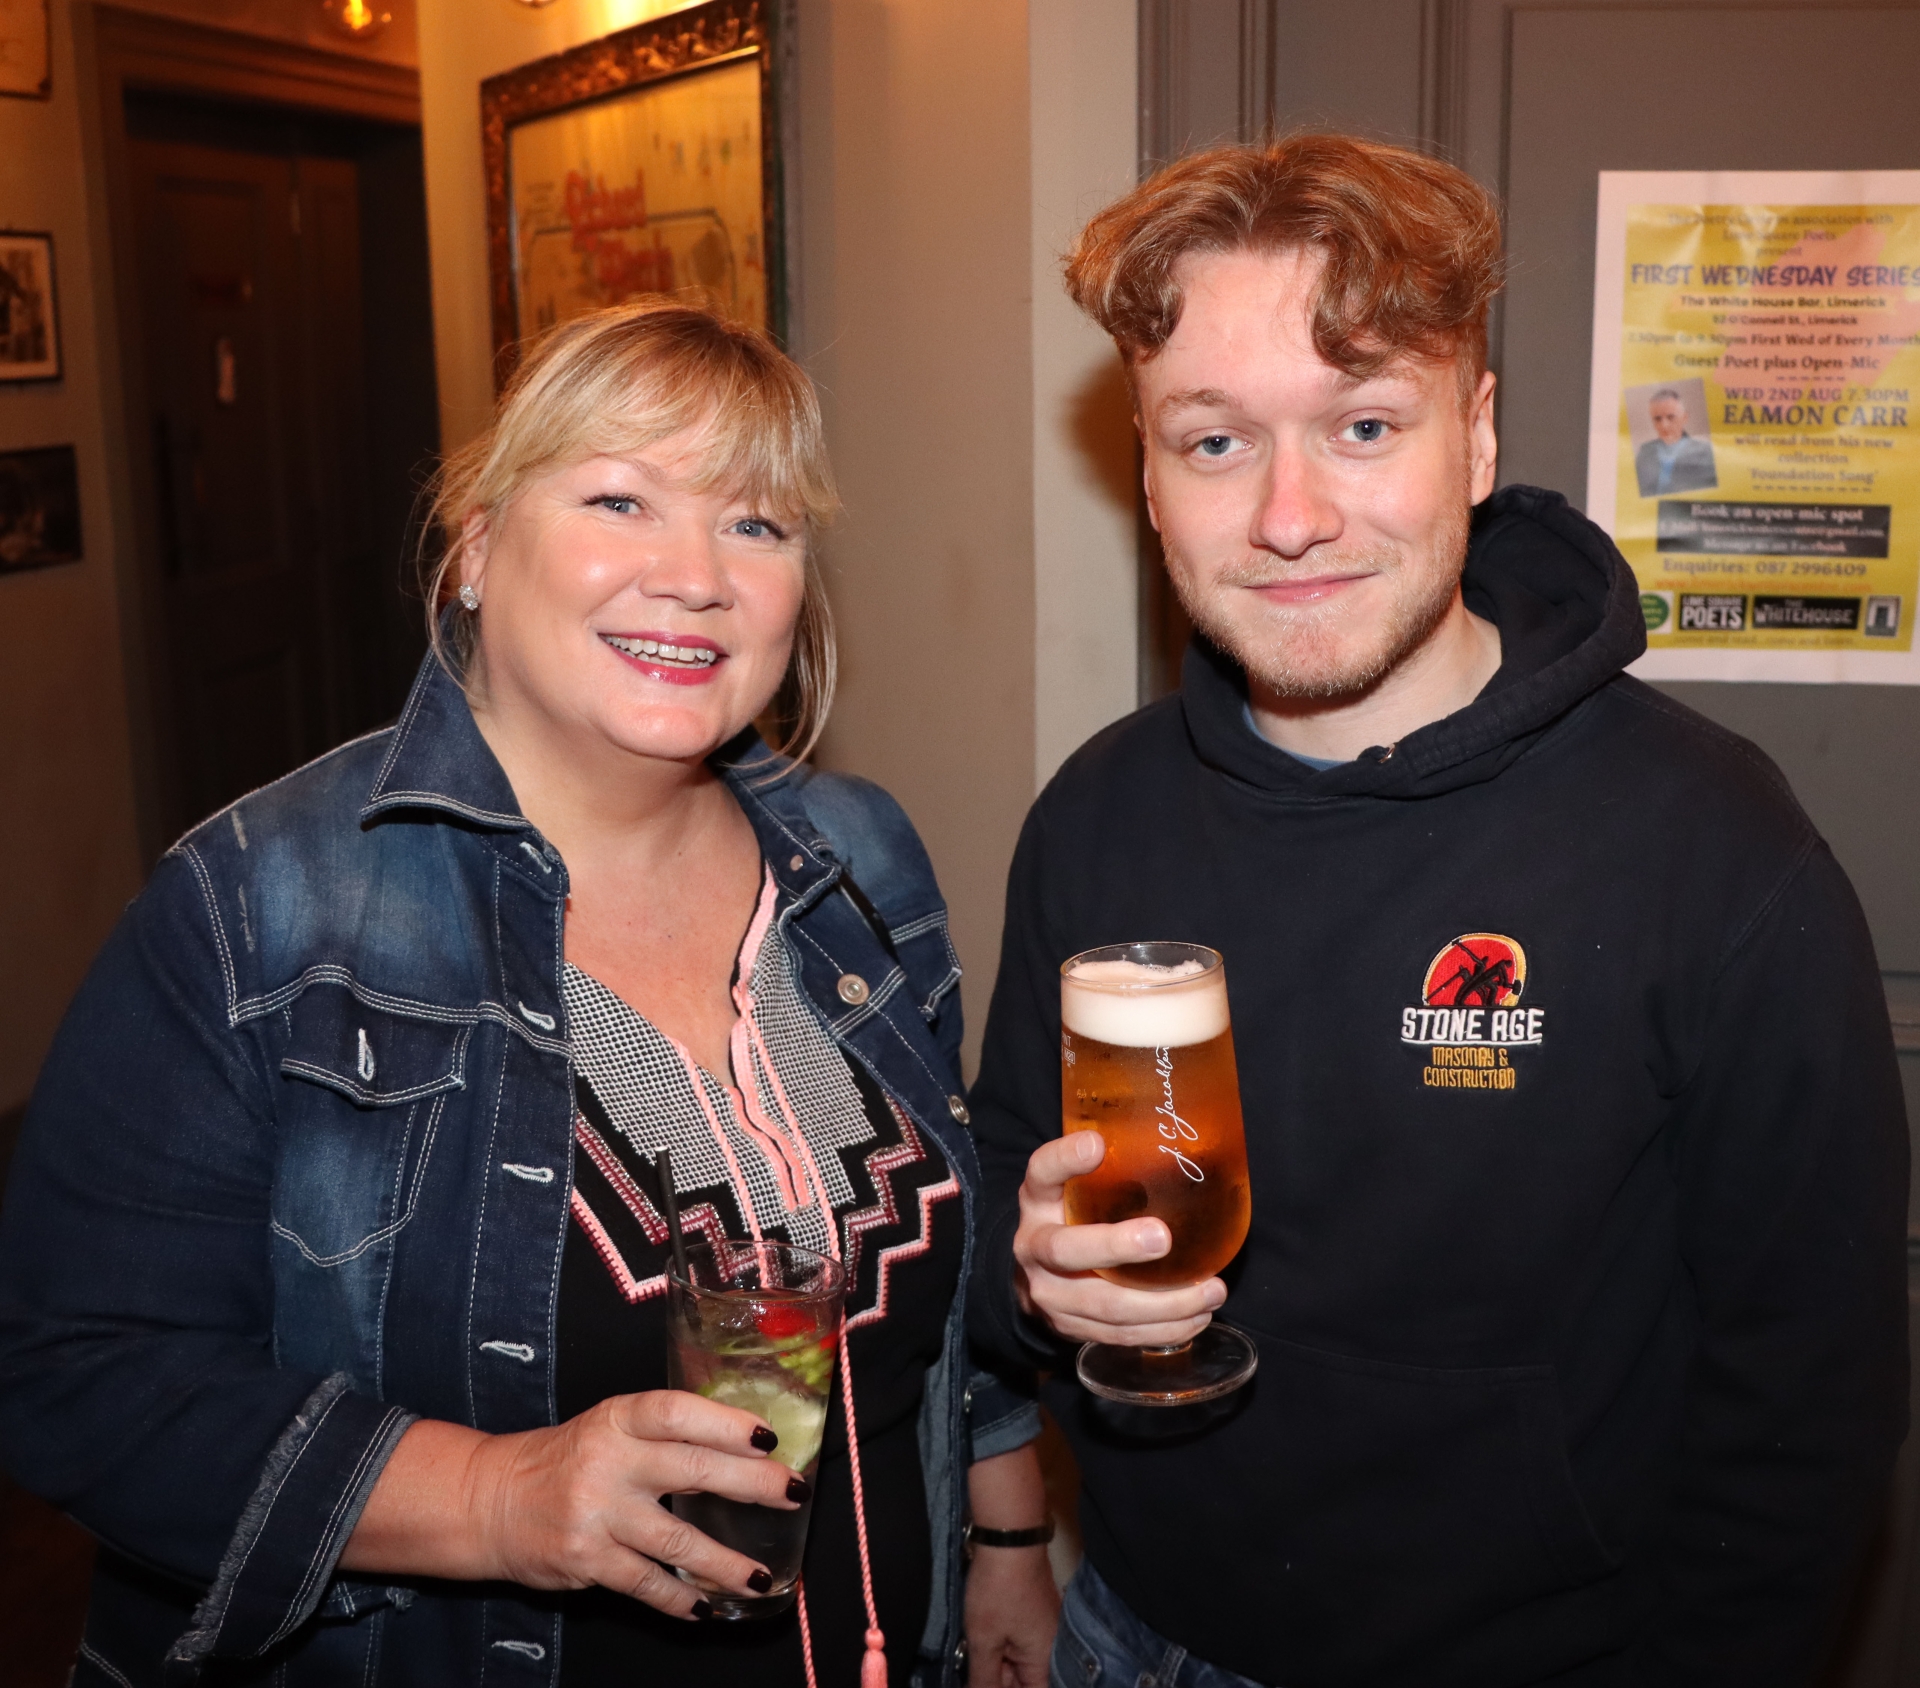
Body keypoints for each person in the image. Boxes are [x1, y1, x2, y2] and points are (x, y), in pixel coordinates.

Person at [0, 301, 1059, 1688]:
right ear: (478, 547)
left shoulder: (861, 854)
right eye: (621, 500)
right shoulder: (259, 904)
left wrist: (1008, 1534)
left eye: (756, 523)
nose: (697, 576)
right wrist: (496, 1498)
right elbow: (79, 1375)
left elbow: (942, 1291)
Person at [967, 135, 1908, 1688]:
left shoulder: (1711, 844)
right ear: (1146, 471)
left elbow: (1809, 1400)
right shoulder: (1096, 813)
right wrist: (1031, 1272)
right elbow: (1008, 1184)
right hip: (1136, 1642)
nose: (1289, 516)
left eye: (1363, 425)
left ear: (1473, 437)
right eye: (1214, 440)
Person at [1635, 386, 1718, 496]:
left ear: (1684, 418)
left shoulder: (1705, 452)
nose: (1664, 425)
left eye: (1671, 417)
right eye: (1657, 419)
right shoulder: (1645, 451)